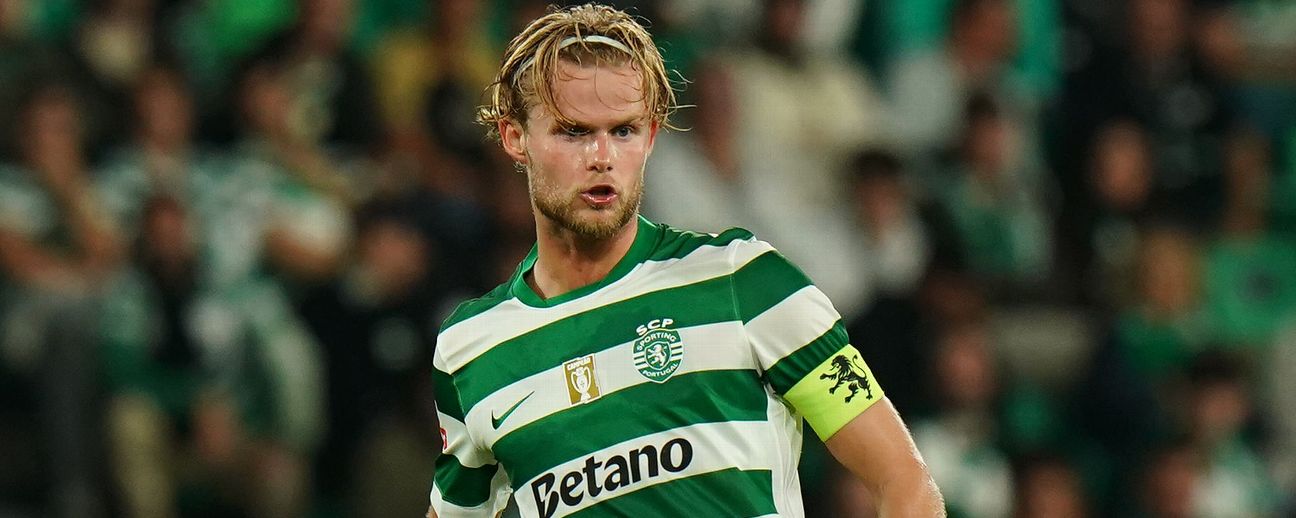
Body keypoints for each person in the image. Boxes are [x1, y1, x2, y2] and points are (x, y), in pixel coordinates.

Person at [426, 4, 943, 517]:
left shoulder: (745, 281)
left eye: (623, 131)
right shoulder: (471, 351)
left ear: (651, 136)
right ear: (515, 137)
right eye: (574, 131)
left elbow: (904, 481)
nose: (602, 157)